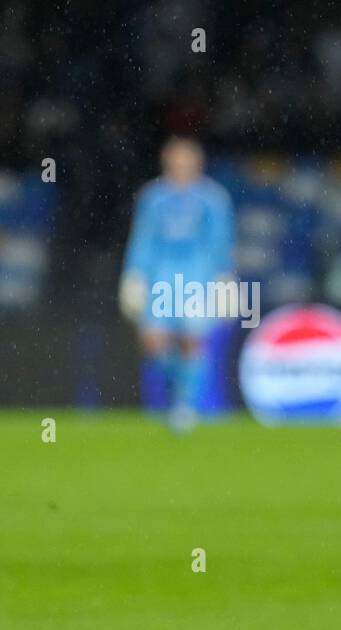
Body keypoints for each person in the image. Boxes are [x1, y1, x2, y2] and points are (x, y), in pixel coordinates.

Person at [119, 135, 235, 431]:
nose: (181, 165)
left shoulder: (213, 198)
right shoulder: (153, 197)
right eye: (176, 160)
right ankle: (180, 389)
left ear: (198, 163)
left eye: (187, 160)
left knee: (191, 341)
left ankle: (185, 408)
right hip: (161, 275)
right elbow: (143, 239)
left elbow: (221, 243)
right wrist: (134, 275)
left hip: (198, 275)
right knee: (153, 342)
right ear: (166, 162)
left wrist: (225, 279)